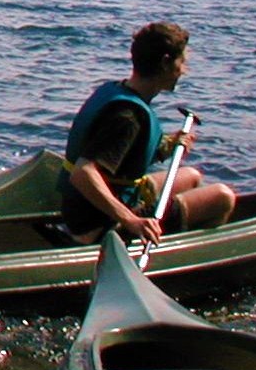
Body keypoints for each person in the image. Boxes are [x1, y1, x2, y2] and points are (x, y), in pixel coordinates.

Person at [60, 21, 235, 244]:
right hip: (102, 226)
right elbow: (82, 173)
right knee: (222, 197)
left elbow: (122, 154)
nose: (184, 70)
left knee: (192, 176)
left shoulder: (119, 92)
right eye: (182, 62)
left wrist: (167, 146)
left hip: (85, 211)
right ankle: (179, 255)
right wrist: (132, 220)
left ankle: (176, 227)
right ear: (165, 63)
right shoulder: (127, 118)